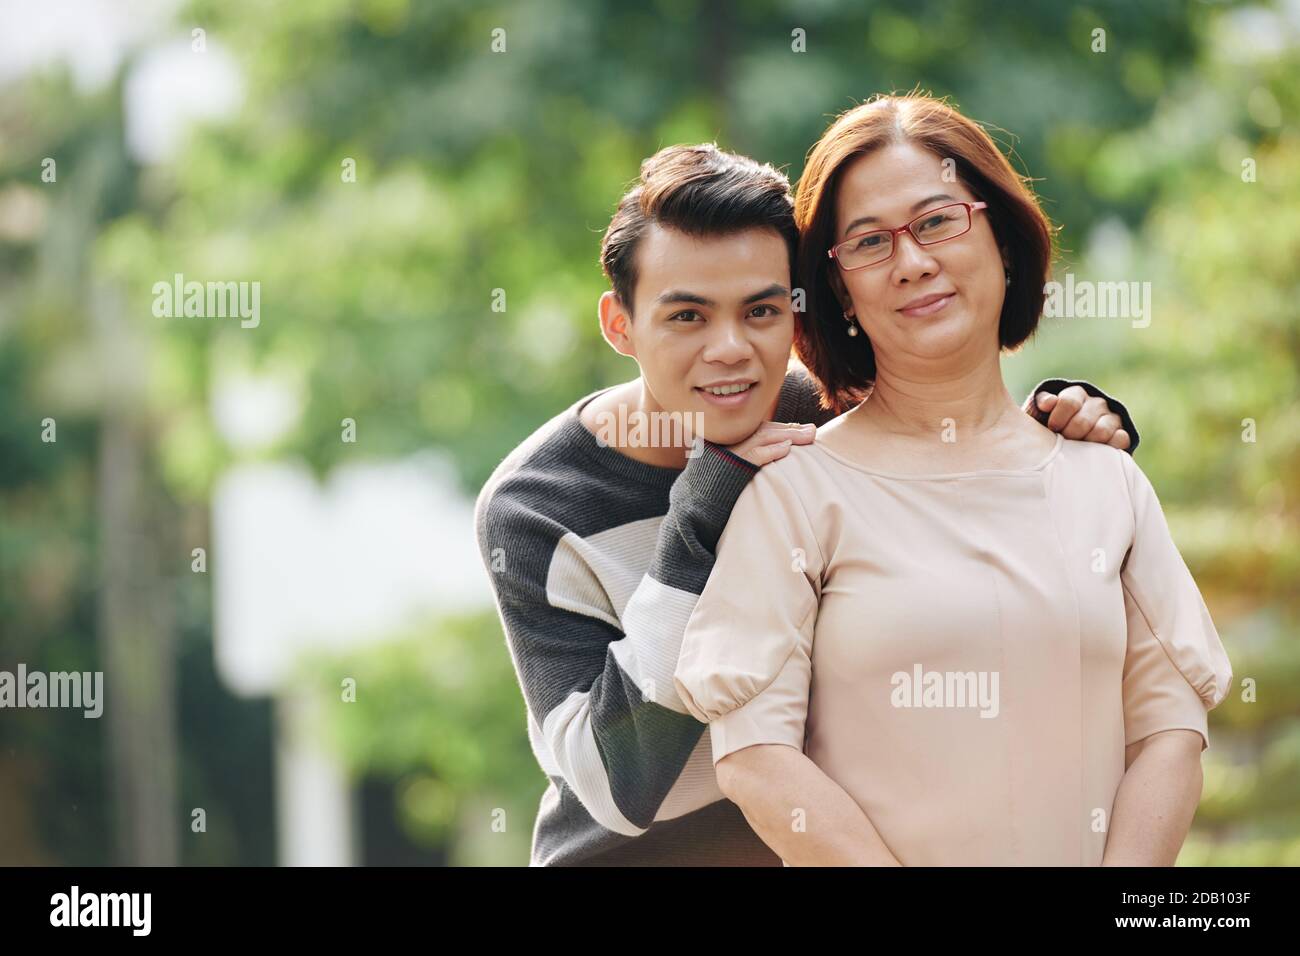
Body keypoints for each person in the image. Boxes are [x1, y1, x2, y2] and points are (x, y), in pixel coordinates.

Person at [475, 141, 1139, 866]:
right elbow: (621, 790)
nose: (730, 349)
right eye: (687, 318)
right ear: (620, 324)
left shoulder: (825, 417)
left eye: (760, 311)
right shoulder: (536, 506)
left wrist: (1058, 423)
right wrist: (698, 519)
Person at [673, 94, 1232, 866]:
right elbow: (757, 759)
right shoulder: (795, 495)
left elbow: (1170, 733)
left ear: (1001, 238)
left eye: (937, 221)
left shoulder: (1106, 480)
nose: (912, 262)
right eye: (869, 243)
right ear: (840, 293)